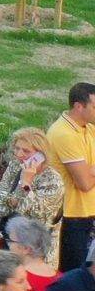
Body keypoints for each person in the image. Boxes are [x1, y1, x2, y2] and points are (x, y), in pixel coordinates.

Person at [49, 81, 95, 274]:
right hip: (70, 216)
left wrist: (89, 170)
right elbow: (84, 183)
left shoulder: (88, 128)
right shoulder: (64, 134)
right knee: (71, 274)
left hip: (85, 213)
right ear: (78, 106)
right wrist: (88, 172)